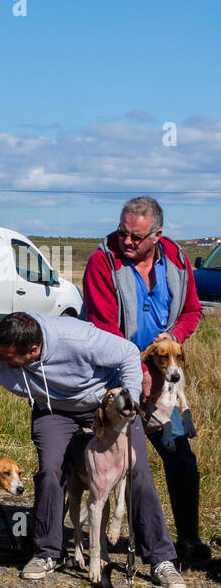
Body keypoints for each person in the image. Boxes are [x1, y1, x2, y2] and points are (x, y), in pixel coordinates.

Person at [0, 311, 185, 588]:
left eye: (8, 355)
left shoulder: (78, 338)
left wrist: (129, 401)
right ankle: (47, 552)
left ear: (34, 350)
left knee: (137, 471)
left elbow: (127, 353)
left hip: (103, 404)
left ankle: (161, 558)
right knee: (51, 470)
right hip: (53, 411)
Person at [83, 196, 208, 562]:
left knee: (181, 459)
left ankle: (189, 538)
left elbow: (191, 311)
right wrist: (137, 376)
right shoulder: (101, 261)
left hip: (164, 381)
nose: (127, 242)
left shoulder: (179, 260)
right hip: (119, 380)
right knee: (130, 464)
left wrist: (174, 338)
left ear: (157, 234)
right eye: (123, 233)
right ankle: (115, 544)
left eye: (136, 237)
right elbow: (103, 328)